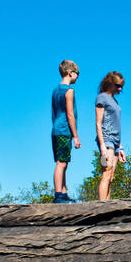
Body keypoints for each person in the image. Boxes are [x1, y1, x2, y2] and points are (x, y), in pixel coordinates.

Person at [50, 60, 82, 203]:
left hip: (56, 129)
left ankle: (63, 192)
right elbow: (70, 115)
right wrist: (76, 136)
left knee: (64, 162)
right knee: (61, 163)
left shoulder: (55, 90)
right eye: (77, 74)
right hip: (64, 130)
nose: (77, 77)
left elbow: (53, 113)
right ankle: (58, 195)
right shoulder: (69, 91)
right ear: (70, 73)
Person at [95, 71, 125, 200]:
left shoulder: (115, 101)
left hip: (116, 142)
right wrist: (102, 146)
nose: (120, 89)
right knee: (106, 172)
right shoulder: (101, 97)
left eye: (121, 86)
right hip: (106, 140)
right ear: (110, 83)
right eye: (117, 85)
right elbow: (98, 123)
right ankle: (102, 208)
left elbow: (116, 124)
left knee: (111, 176)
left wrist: (121, 147)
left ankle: (108, 206)